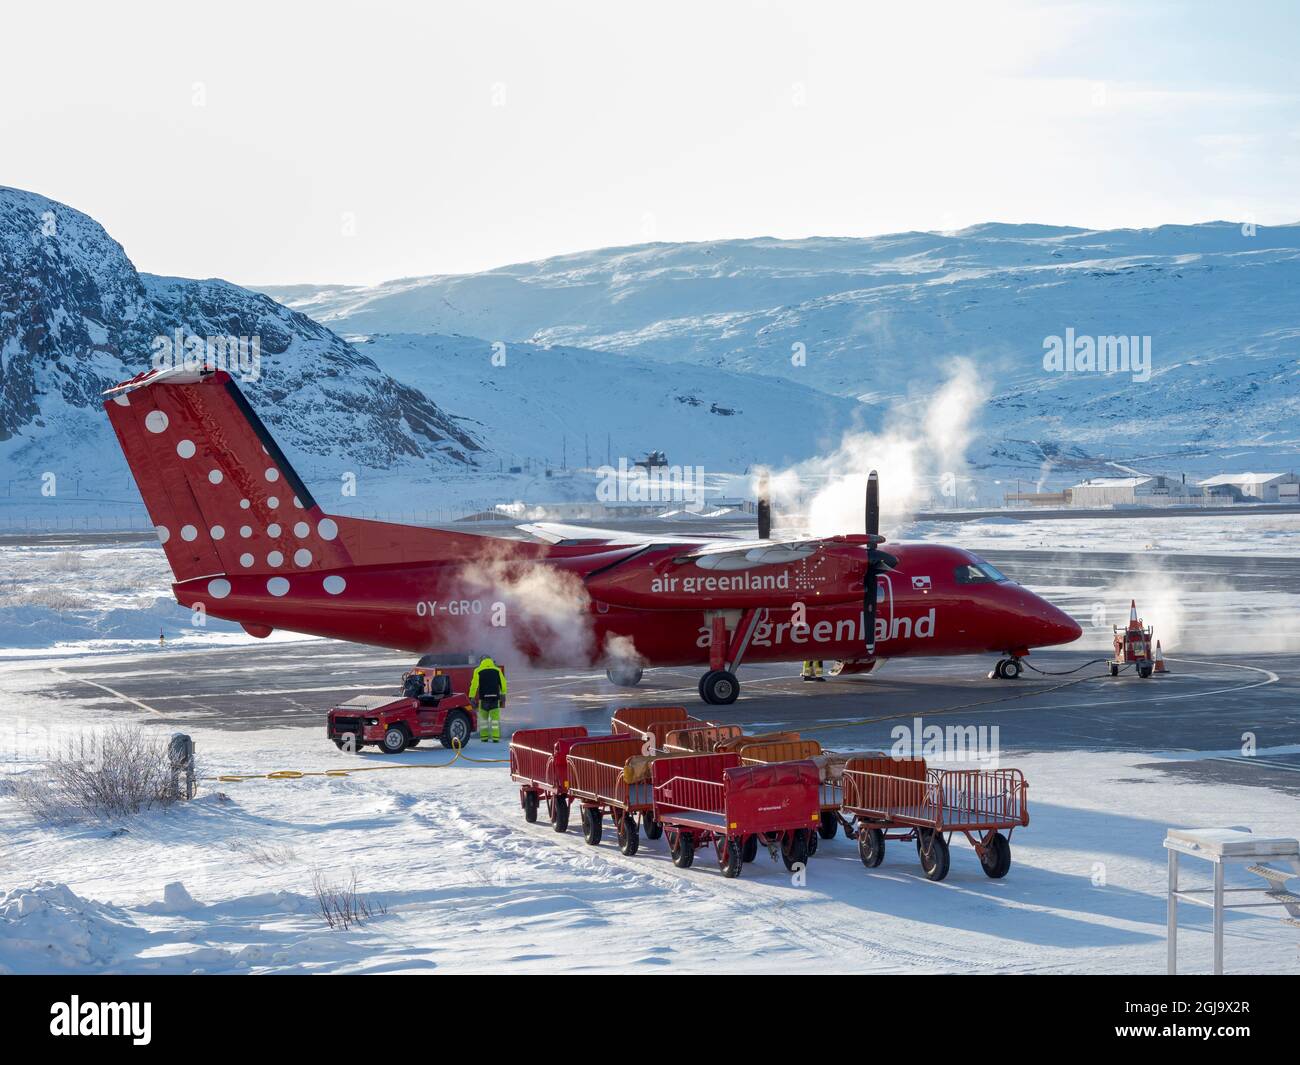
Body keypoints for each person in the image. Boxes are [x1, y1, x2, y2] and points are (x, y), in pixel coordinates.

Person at [469, 655, 508, 742]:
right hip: (495, 699)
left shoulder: (477, 670)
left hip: (483, 699)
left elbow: (474, 685)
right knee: (495, 720)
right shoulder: (497, 670)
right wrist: (503, 694)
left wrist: (471, 697)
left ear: (481, 661)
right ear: (491, 661)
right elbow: (503, 683)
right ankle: (495, 738)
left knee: (483, 721)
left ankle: (484, 738)